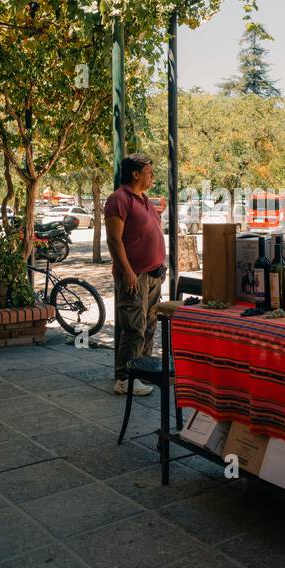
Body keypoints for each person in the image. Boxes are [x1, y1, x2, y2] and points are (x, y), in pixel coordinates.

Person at [104, 153, 166, 395]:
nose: (152, 175)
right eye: (148, 172)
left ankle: (141, 372)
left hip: (153, 274)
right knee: (133, 327)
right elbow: (114, 240)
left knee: (149, 326)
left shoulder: (144, 199)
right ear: (135, 173)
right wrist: (127, 271)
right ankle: (125, 378)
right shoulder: (118, 199)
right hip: (134, 275)